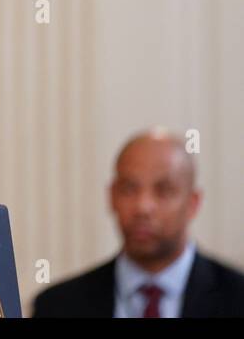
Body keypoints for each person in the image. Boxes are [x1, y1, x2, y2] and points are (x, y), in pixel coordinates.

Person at [33, 128, 244, 317]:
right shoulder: (57, 307)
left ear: (193, 203)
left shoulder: (236, 299)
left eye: (164, 191)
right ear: (112, 197)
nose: (143, 207)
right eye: (129, 189)